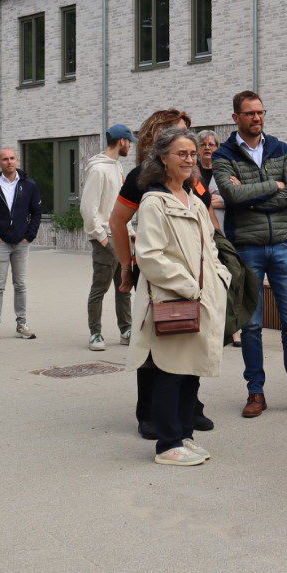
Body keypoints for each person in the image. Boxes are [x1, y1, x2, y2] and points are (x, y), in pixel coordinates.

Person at [212, 91, 287, 417]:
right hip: (246, 247)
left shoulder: (280, 148)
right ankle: (256, 393)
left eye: (260, 112)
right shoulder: (224, 154)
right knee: (252, 326)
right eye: (250, 113)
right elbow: (231, 194)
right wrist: (272, 186)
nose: (257, 118)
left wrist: (250, 198)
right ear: (236, 117)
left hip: (283, 244)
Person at [110, 110, 213, 439]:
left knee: (189, 335)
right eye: (179, 133)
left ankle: (188, 408)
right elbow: (117, 222)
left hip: (194, 270)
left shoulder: (190, 176)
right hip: (159, 272)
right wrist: (126, 267)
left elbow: (204, 211)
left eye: (189, 133)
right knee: (158, 340)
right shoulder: (141, 178)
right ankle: (149, 414)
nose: (188, 143)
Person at [131, 130, 230, 466]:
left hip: (202, 297)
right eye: (181, 154)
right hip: (174, 299)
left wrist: (220, 277)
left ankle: (185, 435)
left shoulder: (193, 199)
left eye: (192, 154)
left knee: (191, 370)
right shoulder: (154, 202)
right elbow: (149, 255)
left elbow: (210, 246)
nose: (189, 160)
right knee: (171, 371)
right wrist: (188, 286)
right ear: (163, 158)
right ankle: (167, 444)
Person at [79, 123, 133, 352]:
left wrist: (130, 233)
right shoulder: (99, 169)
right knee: (99, 288)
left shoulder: (117, 166)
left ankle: (126, 330)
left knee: (124, 286)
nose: (130, 146)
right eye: (129, 142)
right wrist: (101, 237)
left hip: (121, 235)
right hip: (105, 237)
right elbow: (87, 207)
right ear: (122, 141)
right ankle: (95, 333)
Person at [0, 146, 43, 342]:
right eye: (5, 159)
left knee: (20, 284)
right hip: (0, 242)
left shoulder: (29, 184)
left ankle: (21, 324)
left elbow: (37, 212)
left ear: (17, 160)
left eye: (12, 158)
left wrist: (29, 236)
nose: (9, 162)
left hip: (21, 242)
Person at [196, 129, 227, 231]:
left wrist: (224, 202)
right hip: (199, 223)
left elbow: (236, 195)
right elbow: (200, 193)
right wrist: (207, 199)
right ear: (197, 149)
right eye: (203, 145)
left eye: (211, 144)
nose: (207, 148)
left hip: (222, 223)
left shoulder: (225, 170)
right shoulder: (192, 172)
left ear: (217, 147)